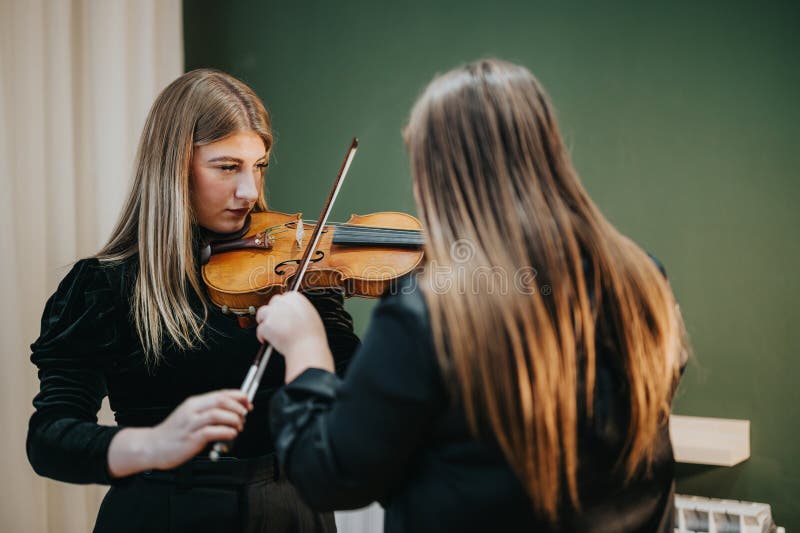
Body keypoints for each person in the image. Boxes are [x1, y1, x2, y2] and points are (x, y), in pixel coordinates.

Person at [255, 59, 690, 532]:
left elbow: (331, 477)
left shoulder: (427, 317)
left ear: (436, 174)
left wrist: (306, 348)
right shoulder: (644, 280)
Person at [26, 69, 359, 533]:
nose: (249, 192)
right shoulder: (103, 286)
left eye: (258, 166)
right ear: (174, 166)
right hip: (163, 515)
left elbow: (358, 410)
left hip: (293, 514)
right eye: (227, 167)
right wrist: (156, 443)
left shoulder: (296, 270)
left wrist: (313, 345)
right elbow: (49, 440)